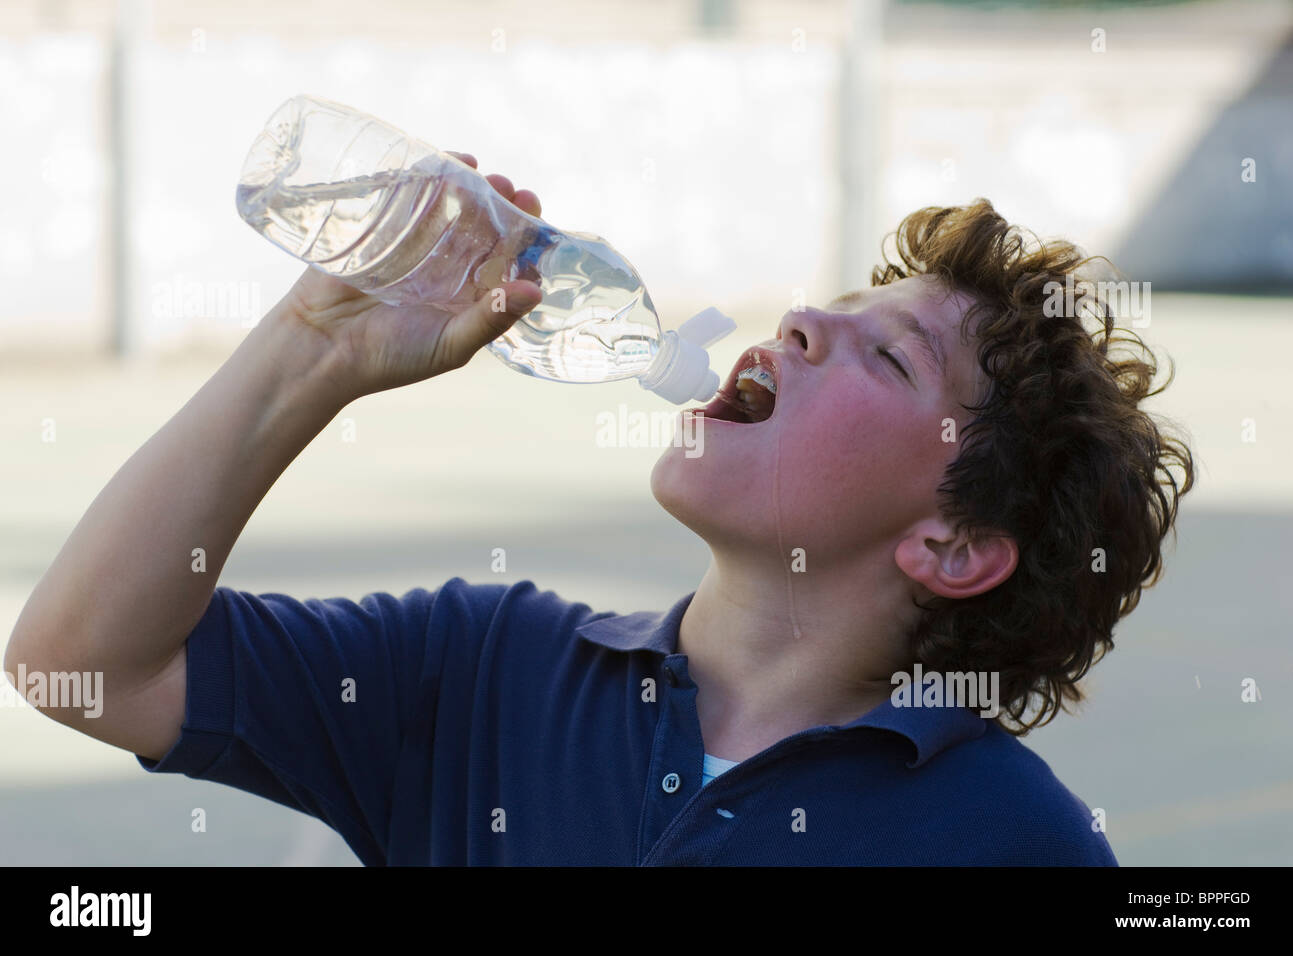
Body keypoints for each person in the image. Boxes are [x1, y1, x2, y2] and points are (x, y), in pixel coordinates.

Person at [4, 155, 1193, 865]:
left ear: (951, 543)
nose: (799, 323)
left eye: (889, 360)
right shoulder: (479, 668)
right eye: (827, 307)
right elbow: (79, 662)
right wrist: (312, 349)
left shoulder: (1005, 838)